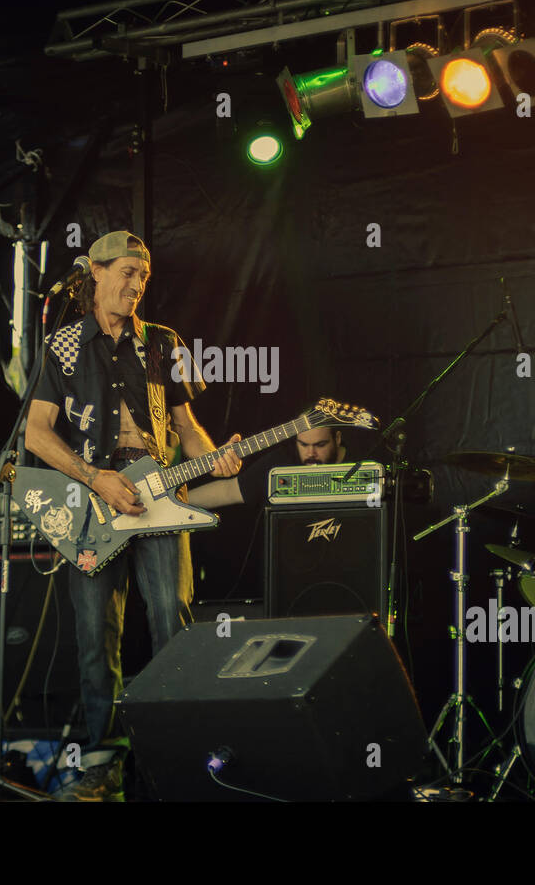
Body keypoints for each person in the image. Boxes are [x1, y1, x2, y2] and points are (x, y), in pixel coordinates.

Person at [24, 230, 241, 801]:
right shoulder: (64, 343)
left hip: (160, 494)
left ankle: (182, 751)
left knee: (173, 617)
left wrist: (218, 460)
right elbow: (37, 435)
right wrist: (94, 477)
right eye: (125, 272)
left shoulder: (163, 342)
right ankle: (104, 761)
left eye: (142, 275)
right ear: (94, 273)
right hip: (95, 502)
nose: (136, 284)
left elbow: (188, 430)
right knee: (97, 635)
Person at [188, 425, 345, 509]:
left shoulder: (363, 462)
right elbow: (229, 491)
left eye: (320, 445)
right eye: (303, 444)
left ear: (337, 439)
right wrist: (175, 502)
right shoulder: (282, 461)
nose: (311, 453)